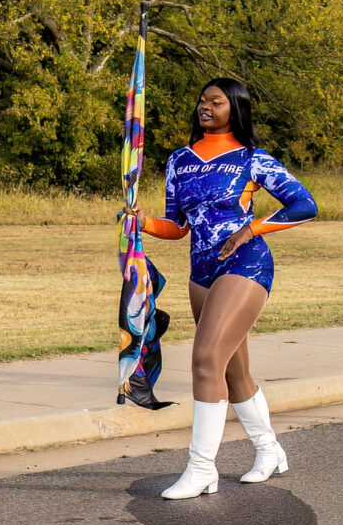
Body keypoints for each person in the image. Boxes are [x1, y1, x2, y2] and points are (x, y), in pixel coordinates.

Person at [136, 78, 318, 499]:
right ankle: (269, 450)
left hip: (245, 264)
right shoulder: (179, 161)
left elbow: (304, 205)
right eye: (202, 100)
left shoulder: (252, 159)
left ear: (234, 109)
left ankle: (202, 469)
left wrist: (252, 228)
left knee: (204, 359)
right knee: (233, 372)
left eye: (216, 102)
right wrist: (143, 223)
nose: (205, 106)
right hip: (201, 273)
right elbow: (179, 226)